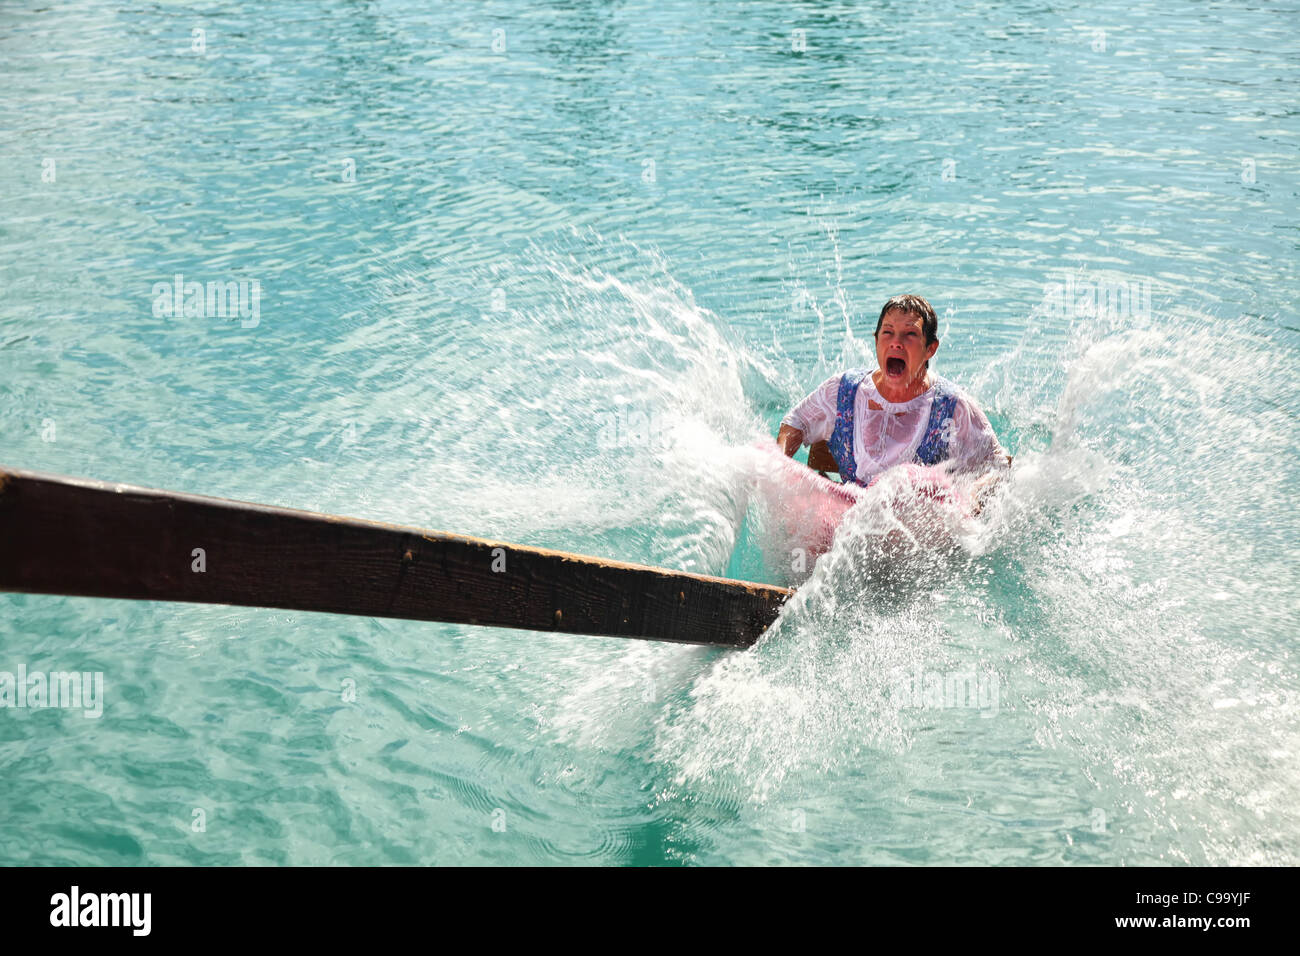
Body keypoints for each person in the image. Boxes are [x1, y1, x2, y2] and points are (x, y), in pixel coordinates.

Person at [776, 294, 1010, 511]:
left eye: (910, 334)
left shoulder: (952, 407)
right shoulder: (844, 391)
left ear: (930, 349)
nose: (896, 342)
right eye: (887, 332)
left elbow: (999, 465)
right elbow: (795, 423)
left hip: (917, 539)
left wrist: (973, 496)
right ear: (876, 340)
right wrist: (779, 466)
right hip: (851, 526)